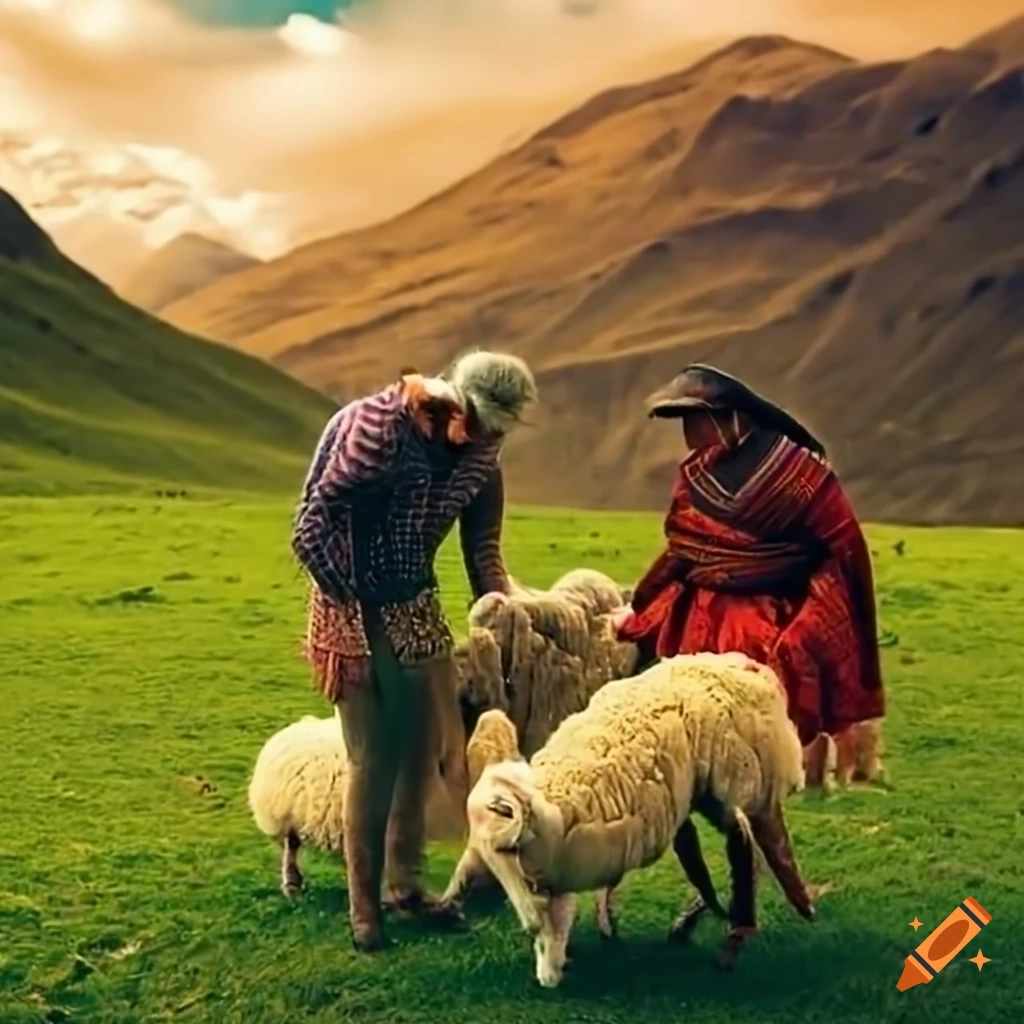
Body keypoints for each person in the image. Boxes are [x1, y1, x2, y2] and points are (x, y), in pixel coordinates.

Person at [291, 350, 538, 952]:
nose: (483, 437)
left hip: (419, 605)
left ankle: (406, 888)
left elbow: (484, 548)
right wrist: (348, 597)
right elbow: (309, 528)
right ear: (452, 403)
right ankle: (364, 909)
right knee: (371, 760)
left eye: (494, 429)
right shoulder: (374, 431)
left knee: (424, 754)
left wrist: (499, 612)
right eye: (479, 423)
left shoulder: (480, 454)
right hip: (353, 607)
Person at [615, 363, 885, 764]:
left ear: (731, 420)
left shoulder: (800, 475)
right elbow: (683, 548)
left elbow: (840, 543)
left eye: (697, 419)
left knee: (759, 724)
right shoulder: (695, 475)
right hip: (701, 615)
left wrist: (814, 621)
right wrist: (642, 599)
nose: (689, 432)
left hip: (770, 617)